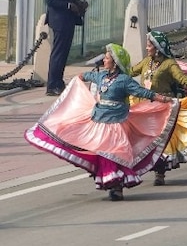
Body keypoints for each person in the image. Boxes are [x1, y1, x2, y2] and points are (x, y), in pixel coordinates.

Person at [25, 43, 177, 201]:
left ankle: (117, 187)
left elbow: (143, 92)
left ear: (115, 62)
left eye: (107, 57)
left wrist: (164, 99)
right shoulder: (101, 76)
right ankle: (111, 182)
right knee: (97, 152)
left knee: (113, 154)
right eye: (105, 57)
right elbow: (84, 76)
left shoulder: (124, 81)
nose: (104, 60)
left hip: (116, 126)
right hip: (98, 123)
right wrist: (75, 84)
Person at [129, 30, 187, 186]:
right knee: (143, 140)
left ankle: (159, 172)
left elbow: (181, 78)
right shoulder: (146, 62)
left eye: (149, 45)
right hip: (144, 108)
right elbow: (130, 72)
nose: (147, 48)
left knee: (159, 141)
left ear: (157, 47)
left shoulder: (169, 64)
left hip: (162, 109)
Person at [43, 0, 87, 96]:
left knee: (64, 53)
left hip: (68, 19)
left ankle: (59, 81)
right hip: (59, 20)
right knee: (58, 53)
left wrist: (78, 3)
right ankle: (52, 84)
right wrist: (68, 6)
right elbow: (50, 0)